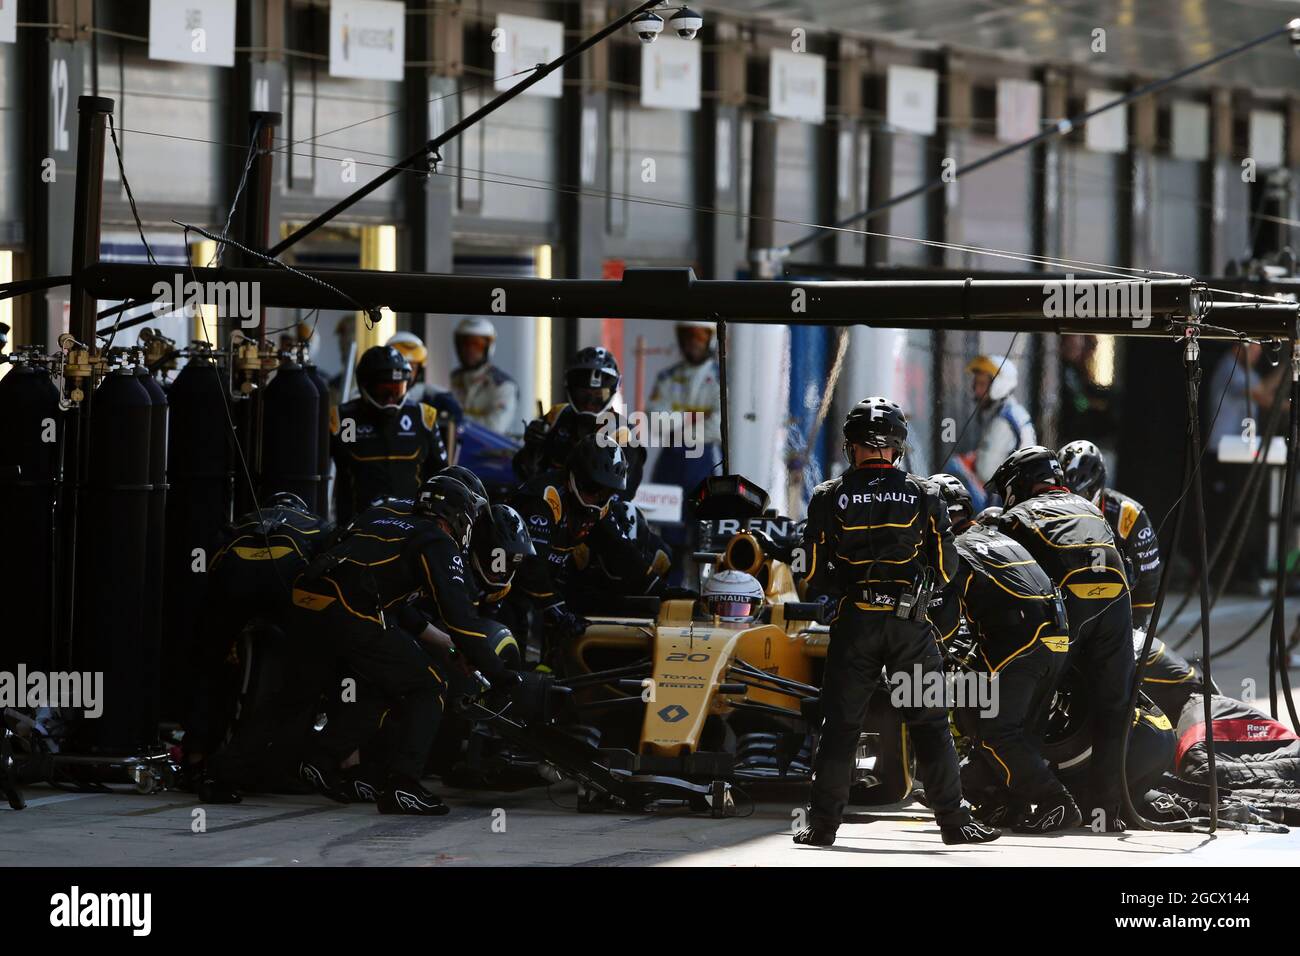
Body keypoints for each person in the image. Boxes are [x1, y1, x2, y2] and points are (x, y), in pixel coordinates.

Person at [794, 397, 1000, 848]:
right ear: (898, 446)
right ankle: (954, 823)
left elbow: (808, 574)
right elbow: (948, 568)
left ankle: (822, 827)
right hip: (910, 625)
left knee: (840, 726)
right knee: (929, 723)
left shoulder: (827, 496)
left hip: (855, 623)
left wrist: (839, 590)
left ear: (851, 447)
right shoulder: (925, 493)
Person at [289, 475, 517, 815]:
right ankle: (403, 786)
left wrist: (450, 646)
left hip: (303, 602)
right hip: (351, 612)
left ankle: (322, 759)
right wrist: (501, 676)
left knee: (387, 683)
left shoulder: (386, 512)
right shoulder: (437, 539)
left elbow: (386, 595)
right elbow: (461, 621)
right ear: (453, 515)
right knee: (430, 685)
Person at [986, 446, 1134, 830]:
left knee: (1032, 703)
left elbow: (1000, 575)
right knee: (1114, 708)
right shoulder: (1091, 508)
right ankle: (1106, 812)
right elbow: (1128, 567)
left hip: (1071, 608)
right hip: (1116, 603)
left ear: (1019, 484)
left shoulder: (1015, 517)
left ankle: (1026, 804)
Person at [927, 473, 1079, 833]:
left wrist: (926, 652)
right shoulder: (992, 536)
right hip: (1054, 641)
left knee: (996, 731)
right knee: (1004, 724)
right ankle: (1007, 804)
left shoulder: (955, 550)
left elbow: (944, 625)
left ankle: (1057, 804)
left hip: (1021, 645)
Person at [188, 492, 334, 802]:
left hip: (235, 579)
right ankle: (283, 767)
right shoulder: (316, 525)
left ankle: (196, 756)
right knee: (306, 674)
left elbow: (207, 571)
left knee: (208, 665)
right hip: (287, 582)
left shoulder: (239, 524)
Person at [508, 435, 640, 658]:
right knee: (511, 645)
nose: (596, 498)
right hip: (507, 580)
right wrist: (556, 610)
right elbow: (529, 565)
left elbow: (621, 550)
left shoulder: (600, 507)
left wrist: (659, 586)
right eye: (592, 488)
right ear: (573, 478)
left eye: (606, 492)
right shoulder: (544, 499)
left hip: (550, 580)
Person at [330, 345, 448, 526]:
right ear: (365, 385)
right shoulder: (347, 420)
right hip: (357, 529)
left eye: (396, 390)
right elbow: (331, 471)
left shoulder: (423, 418)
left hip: (412, 528)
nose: (391, 399)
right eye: (384, 391)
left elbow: (441, 478)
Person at [513, 346, 646, 495]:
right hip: (548, 507)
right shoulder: (556, 416)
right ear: (570, 388)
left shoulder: (623, 433)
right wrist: (531, 450)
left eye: (598, 395)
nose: (589, 403)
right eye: (583, 394)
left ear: (613, 391)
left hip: (597, 513)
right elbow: (524, 476)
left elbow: (625, 493)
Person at [1058, 439, 1162, 629]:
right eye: (1064, 496)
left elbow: (1148, 582)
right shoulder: (1045, 513)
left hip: (1117, 614)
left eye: (1079, 496)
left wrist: (1134, 626)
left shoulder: (1128, 515)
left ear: (1095, 487)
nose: (1072, 505)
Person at [952, 355, 1036, 509]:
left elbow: (986, 472)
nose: (976, 390)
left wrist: (965, 465)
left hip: (1000, 503)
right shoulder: (1012, 412)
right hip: (1014, 496)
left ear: (999, 385)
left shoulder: (1002, 422)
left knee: (953, 466)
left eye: (982, 384)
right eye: (975, 384)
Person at [449, 317, 520, 434]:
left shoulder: (504, 386)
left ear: (488, 347)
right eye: (465, 343)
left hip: (490, 451)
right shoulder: (453, 379)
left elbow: (494, 428)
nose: (470, 350)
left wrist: (456, 420)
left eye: (477, 345)